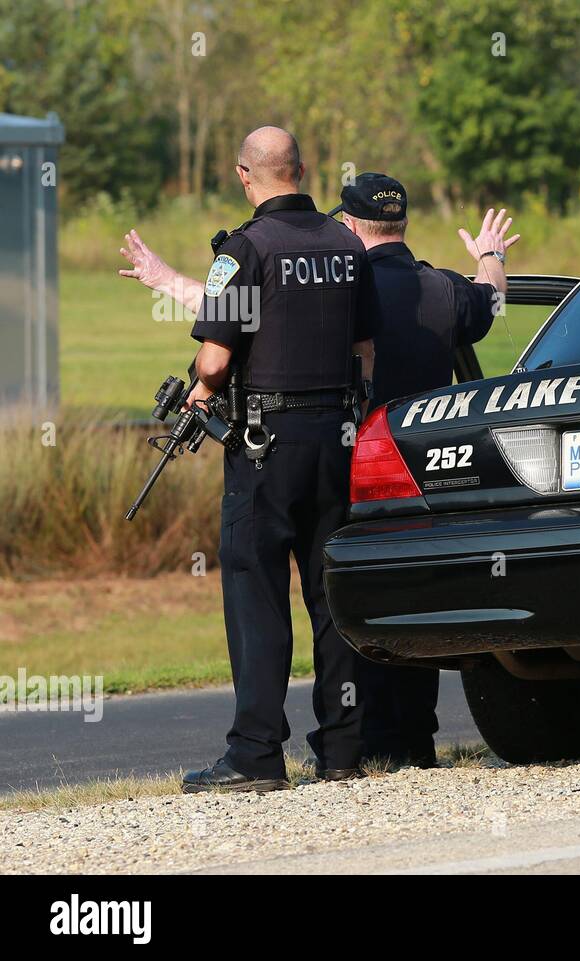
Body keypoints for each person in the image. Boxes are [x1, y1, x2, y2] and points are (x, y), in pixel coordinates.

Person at [119, 126, 378, 791]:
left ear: (245, 175)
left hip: (266, 448)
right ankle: (344, 751)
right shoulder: (347, 246)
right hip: (339, 443)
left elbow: (213, 358)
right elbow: (365, 350)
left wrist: (201, 395)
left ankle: (256, 756)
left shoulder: (246, 248)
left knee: (257, 594)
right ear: (304, 168)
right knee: (330, 598)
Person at [329, 171, 519, 766]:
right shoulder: (441, 288)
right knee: (413, 599)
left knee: (347, 599)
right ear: (401, 224)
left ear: (353, 226)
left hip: (356, 462)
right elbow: (490, 300)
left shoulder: (343, 291)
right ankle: (413, 740)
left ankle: (360, 739)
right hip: (429, 472)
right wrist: (489, 257)